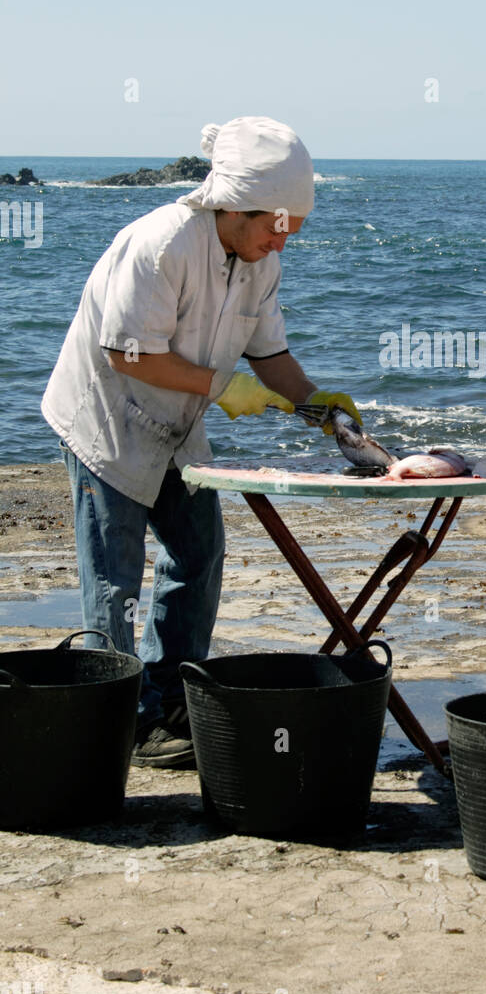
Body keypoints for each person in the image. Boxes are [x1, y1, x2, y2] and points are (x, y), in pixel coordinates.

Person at [41, 116, 360, 768]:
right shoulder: (160, 244)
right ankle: (118, 722)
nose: (281, 244)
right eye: (275, 229)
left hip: (178, 429)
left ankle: (169, 701)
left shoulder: (258, 261)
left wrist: (317, 405)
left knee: (198, 555)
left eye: (290, 233)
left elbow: (270, 356)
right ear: (235, 207)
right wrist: (223, 387)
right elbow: (128, 354)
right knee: (115, 579)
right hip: (108, 421)